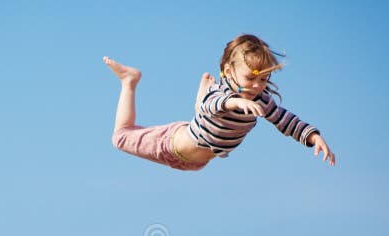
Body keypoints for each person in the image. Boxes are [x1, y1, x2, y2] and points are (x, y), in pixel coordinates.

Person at [103, 34, 336, 171]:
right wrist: (235, 103)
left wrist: (313, 136)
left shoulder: (261, 101)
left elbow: (287, 121)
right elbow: (215, 103)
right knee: (120, 137)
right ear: (228, 71)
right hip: (171, 144)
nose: (257, 85)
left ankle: (198, 108)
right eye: (251, 78)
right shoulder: (222, 93)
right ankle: (129, 81)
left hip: (197, 161)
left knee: (205, 114)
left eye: (264, 79)